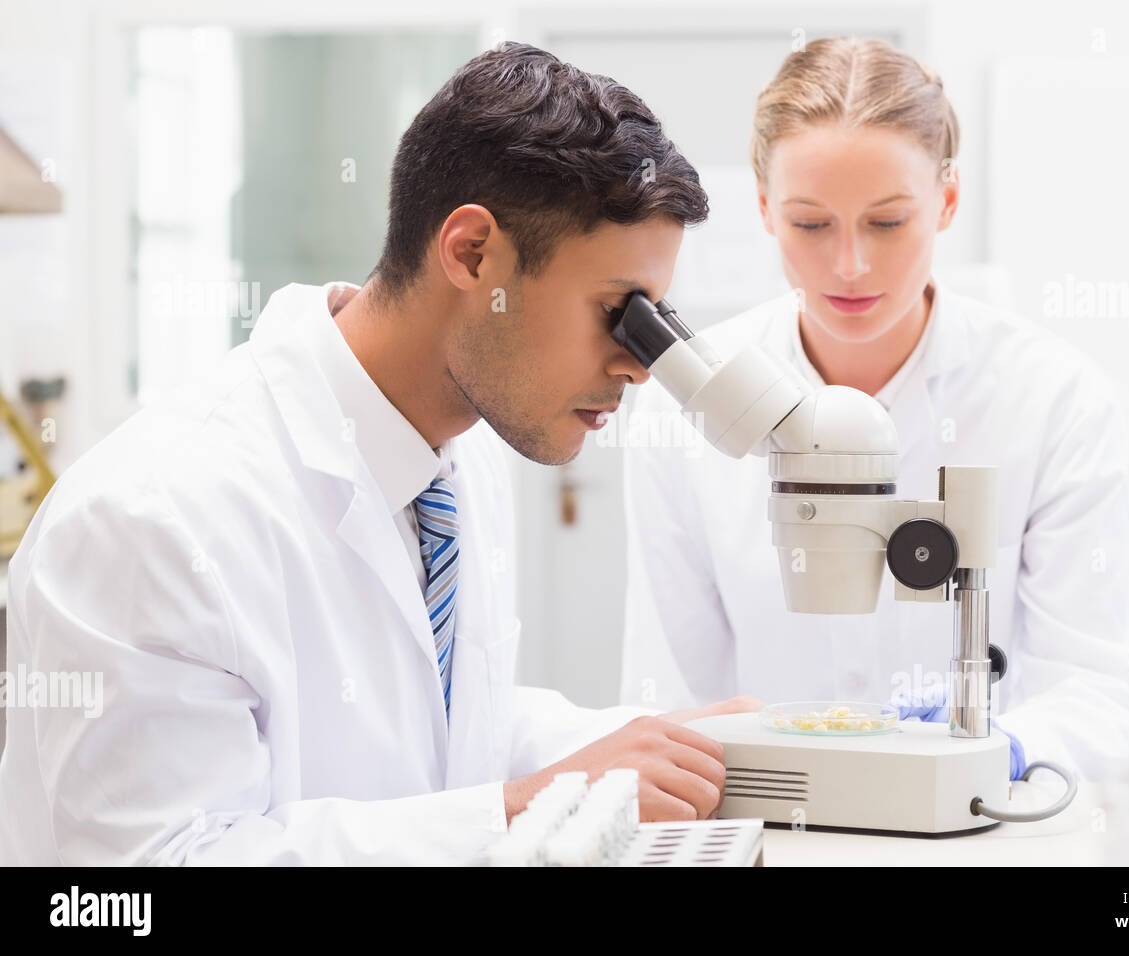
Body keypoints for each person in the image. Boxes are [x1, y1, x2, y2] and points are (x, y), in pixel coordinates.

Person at [0, 42, 756, 866]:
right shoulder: (151, 518)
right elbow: (151, 873)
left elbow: (452, 732)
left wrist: (655, 746)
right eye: (618, 311)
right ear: (472, 254)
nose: (641, 364)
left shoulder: (460, 458)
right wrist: (517, 811)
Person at [621, 37, 1129, 782]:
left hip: (985, 828)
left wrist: (998, 752)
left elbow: (1113, 698)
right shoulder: (682, 415)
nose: (850, 264)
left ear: (945, 201)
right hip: (770, 822)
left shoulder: (1052, 402)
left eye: (887, 222)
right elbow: (666, 698)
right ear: (765, 209)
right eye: (811, 224)